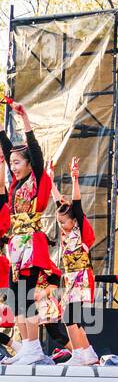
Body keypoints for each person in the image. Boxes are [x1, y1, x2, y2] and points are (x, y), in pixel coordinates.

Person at [0, 100, 60, 365]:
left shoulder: (36, 179)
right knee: (15, 297)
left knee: (26, 295)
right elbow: (5, 147)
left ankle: (34, 347)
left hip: (31, 243)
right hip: (17, 244)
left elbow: (34, 150)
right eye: (10, 162)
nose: (13, 166)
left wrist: (23, 120)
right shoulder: (16, 184)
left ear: (28, 164)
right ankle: (26, 347)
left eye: (17, 162)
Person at [50, 159, 98, 366]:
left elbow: (76, 205)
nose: (61, 225)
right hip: (71, 277)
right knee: (72, 317)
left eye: (63, 222)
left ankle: (79, 354)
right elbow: (57, 203)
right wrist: (51, 180)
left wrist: (75, 178)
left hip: (80, 276)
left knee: (69, 316)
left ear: (74, 221)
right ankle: (88, 353)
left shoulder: (79, 229)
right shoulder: (66, 229)